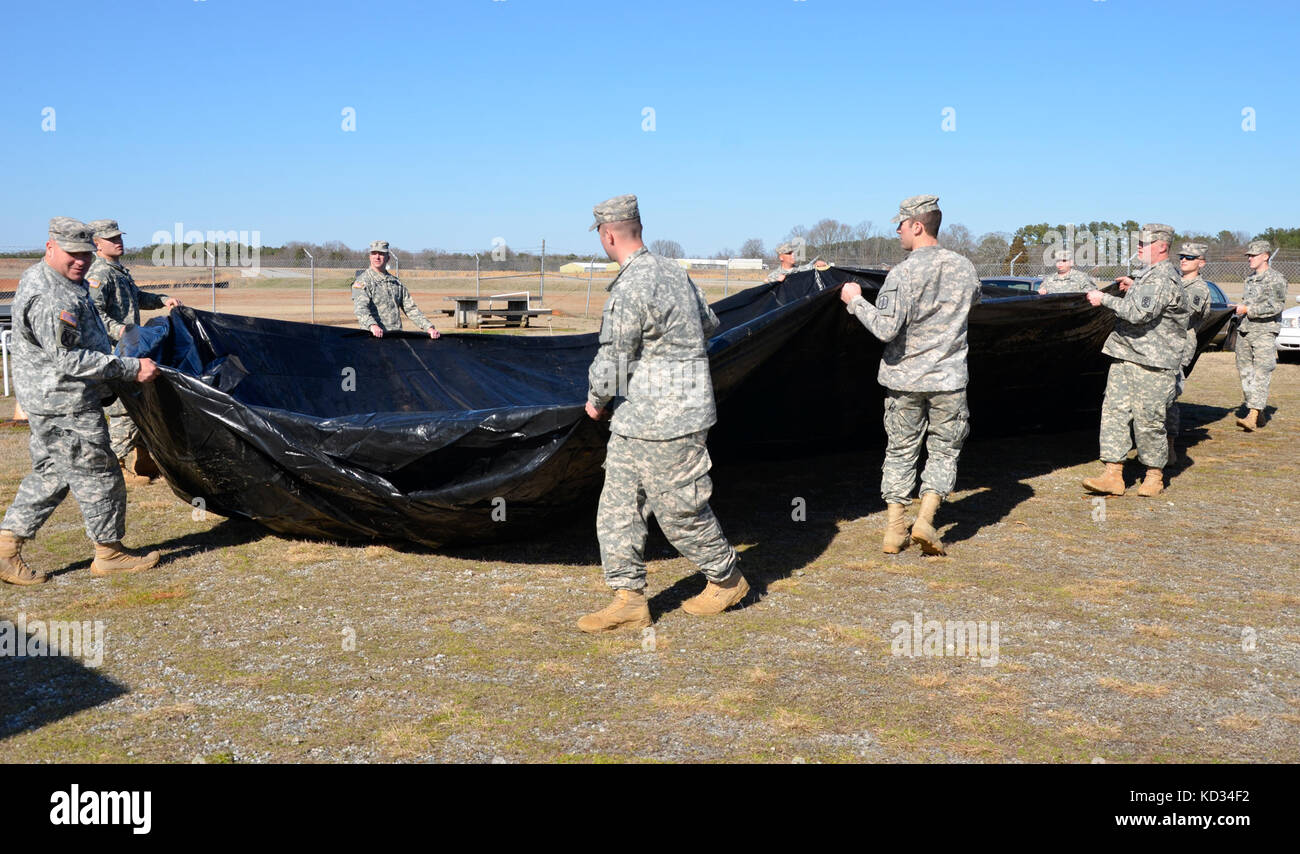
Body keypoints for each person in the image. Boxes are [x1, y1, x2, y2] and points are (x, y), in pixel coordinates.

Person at [578, 194, 746, 632]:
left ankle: (727, 577)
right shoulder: (676, 273)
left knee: (679, 509)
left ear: (607, 235)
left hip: (669, 421)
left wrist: (596, 399)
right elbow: (709, 323)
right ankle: (629, 598)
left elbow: (616, 354)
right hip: (638, 420)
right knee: (617, 507)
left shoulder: (633, 284)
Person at [0, 218, 162, 586]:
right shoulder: (52, 296)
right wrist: (129, 367)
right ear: (50, 248)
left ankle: (6, 547)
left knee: (52, 474)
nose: (81, 262)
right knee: (101, 473)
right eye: (73, 255)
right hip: (65, 402)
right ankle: (109, 553)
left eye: (86, 255)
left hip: (52, 399)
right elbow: (70, 360)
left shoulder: (55, 280)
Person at [839, 194, 982, 556]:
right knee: (944, 450)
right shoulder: (965, 267)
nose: (898, 233)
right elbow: (975, 303)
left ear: (917, 226)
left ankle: (894, 530)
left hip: (904, 382)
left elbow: (885, 329)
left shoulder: (901, 273)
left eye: (901, 225)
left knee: (901, 450)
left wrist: (855, 301)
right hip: (948, 381)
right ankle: (927, 519)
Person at [1081, 224, 1189, 497]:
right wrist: (1133, 286)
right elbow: (1146, 300)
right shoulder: (1149, 277)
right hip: (1126, 355)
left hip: (1152, 363)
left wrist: (1103, 298)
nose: (1138, 247)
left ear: (1162, 246)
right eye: (1138, 242)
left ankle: (1154, 475)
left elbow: (1138, 313)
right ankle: (1112, 474)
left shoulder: (1163, 277)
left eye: (1144, 243)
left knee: (1149, 421)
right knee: (1114, 414)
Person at [86, 219, 182, 485]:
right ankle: (115, 465)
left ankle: (145, 461)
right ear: (97, 244)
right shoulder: (99, 274)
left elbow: (136, 297)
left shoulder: (117, 271)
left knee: (141, 400)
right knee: (123, 407)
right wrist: (121, 331)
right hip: (114, 350)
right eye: (111, 238)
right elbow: (95, 313)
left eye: (119, 237)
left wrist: (163, 300)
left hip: (131, 348)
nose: (118, 241)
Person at [1233, 239, 1288, 431]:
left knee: (1261, 372)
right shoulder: (1250, 279)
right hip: (1246, 331)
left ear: (1265, 256)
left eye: (1253, 255)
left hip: (1264, 332)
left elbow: (1276, 305)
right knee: (1245, 373)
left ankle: (1252, 414)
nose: (1249, 258)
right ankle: (1259, 412)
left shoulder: (1276, 279)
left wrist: (1249, 309)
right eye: (1248, 255)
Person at [1165, 242, 1212, 445]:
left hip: (1179, 345)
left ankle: (1170, 445)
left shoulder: (1199, 289)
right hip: (1163, 343)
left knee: (1169, 396)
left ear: (1201, 263)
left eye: (1190, 258)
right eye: (1182, 256)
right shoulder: (1176, 282)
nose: (1184, 260)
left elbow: (1184, 313)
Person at [352, 241, 441, 338]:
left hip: (395, 337)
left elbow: (410, 309)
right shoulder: (362, 282)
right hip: (373, 337)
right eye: (374, 254)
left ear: (388, 258)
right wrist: (372, 325)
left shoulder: (396, 283)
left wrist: (428, 327)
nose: (377, 257)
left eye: (381, 254)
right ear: (370, 257)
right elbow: (361, 309)